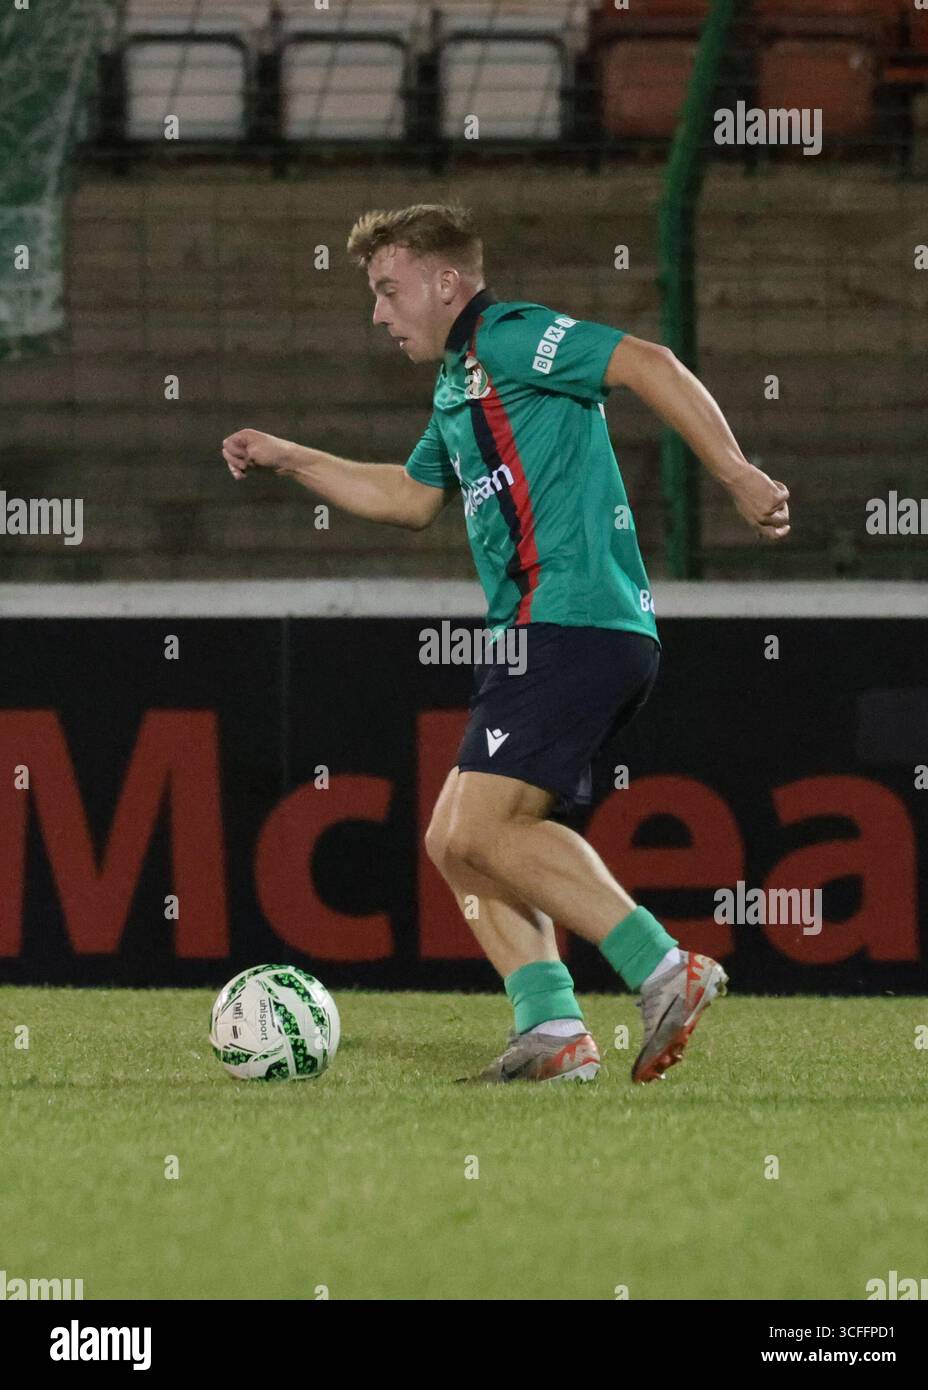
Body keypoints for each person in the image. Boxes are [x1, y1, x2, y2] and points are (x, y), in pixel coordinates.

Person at [222, 202, 790, 1086]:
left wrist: (735, 471)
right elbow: (411, 499)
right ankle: (552, 1031)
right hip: (544, 632)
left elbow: (646, 360)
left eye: (388, 289)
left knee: (489, 824)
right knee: (456, 839)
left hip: (576, 619)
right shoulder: (459, 383)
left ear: (447, 282)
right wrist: (290, 456)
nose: (378, 312)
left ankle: (665, 970)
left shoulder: (510, 336)